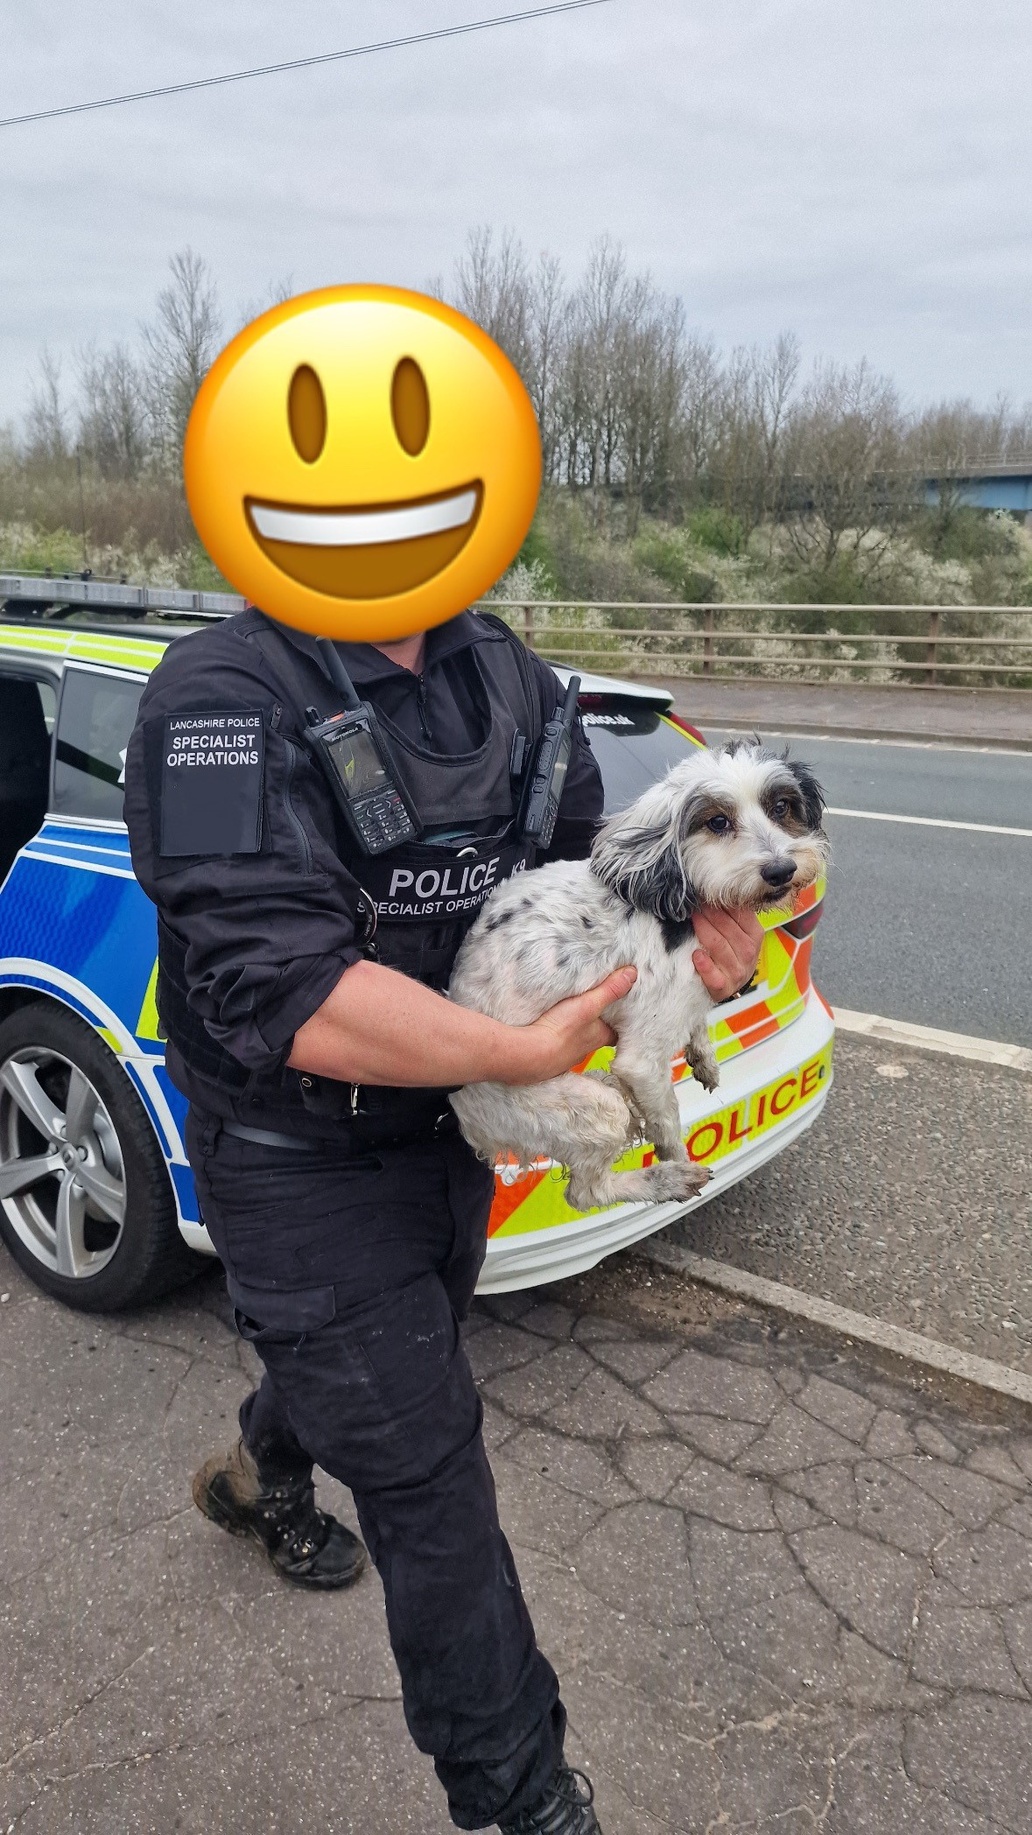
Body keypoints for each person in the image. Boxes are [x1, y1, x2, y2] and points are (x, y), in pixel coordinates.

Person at [124, 602, 761, 1834]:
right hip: (295, 1146)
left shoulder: (511, 673)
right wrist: (522, 1050)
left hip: (456, 1127)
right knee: (430, 1476)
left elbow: (602, 867)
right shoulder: (216, 697)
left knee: (375, 1360)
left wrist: (695, 936)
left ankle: (267, 1467)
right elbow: (287, 986)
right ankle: (526, 1801)